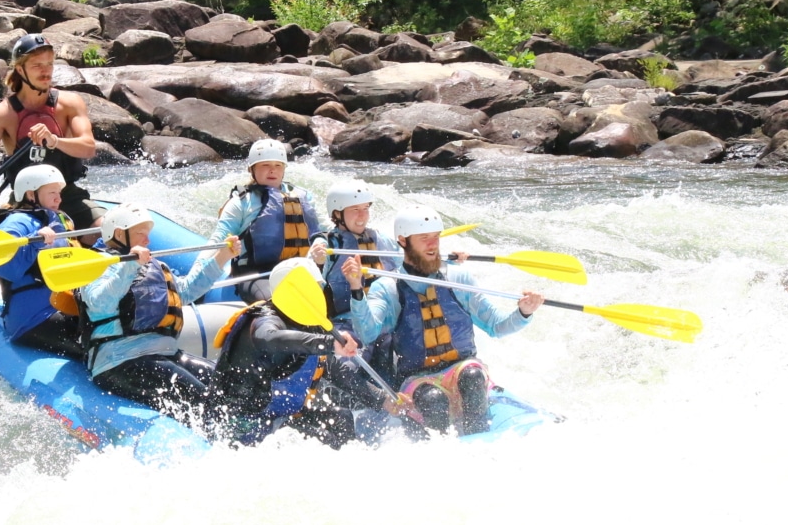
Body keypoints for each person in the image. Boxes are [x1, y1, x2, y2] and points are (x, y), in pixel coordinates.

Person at [344, 209, 544, 436]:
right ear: (402, 241)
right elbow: (367, 332)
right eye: (424, 239)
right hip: (418, 380)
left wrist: (524, 312)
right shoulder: (389, 287)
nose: (432, 245)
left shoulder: (458, 279)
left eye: (436, 237)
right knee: (434, 400)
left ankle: (477, 440)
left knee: (472, 377)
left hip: (461, 369)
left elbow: (497, 326)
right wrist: (356, 289)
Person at [78, 203, 237, 420]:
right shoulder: (96, 265)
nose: (148, 241)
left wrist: (222, 257)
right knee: (205, 399)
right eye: (140, 234)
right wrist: (128, 266)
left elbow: (186, 292)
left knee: (230, 385)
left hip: (166, 353)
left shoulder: (154, 265)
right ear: (118, 234)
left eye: (148, 234)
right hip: (121, 360)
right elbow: (99, 303)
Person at [209, 257, 389, 448]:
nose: (316, 296)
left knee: (341, 418)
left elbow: (337, 372)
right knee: (322, 439)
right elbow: (270, 338)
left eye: (317, 290)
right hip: (244, 423)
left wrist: (382, 399)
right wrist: (329, 343)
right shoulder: (264, 320)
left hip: (279, 418)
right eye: (310, 290)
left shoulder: (309, 326)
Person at [0, 33, 99, 238]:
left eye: (49, 64)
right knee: (15, 240)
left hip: (67, 196)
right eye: (37, 65)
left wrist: (54, 140)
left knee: (105, 232)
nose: (45, 71)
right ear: (20, 70)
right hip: (24, 200)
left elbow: (88, 146)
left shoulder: (70, 103)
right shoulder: (2, 114)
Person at [310, 180, 400, 404]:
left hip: (384, 321)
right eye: (354, 210)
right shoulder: (328, 243)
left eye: (365, 209)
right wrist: (317, 260)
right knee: (344, 368)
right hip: (347, 324)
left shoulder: (382, 240)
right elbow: (311, 266)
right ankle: (371, 402)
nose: (362, 216)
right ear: (337, 214)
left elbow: (412, 261)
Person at [212, 139, 324, 303]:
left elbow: (325, 231)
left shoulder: (304, 196)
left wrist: (319, 244)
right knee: (275, 300)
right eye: (265, 165)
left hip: (297, 268)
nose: (272, 170)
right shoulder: (241, 202)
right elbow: (218, 240)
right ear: (252, 169)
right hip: (254, 273)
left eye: (278, 165)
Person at [0, 164, 82, 359]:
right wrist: (34, 242)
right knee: (100, 340)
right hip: (34, 318)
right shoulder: (16, 223)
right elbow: (7, 269)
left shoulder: (57, 219)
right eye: (52, 192)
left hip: (63, 305)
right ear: (31, 195)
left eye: (59, 192)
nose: (59, 198)